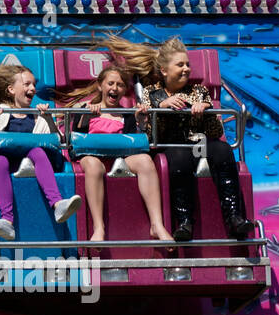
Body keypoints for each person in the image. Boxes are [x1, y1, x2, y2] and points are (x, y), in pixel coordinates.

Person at [104, 35, 254, 242]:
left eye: (188, 65)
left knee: (223, 151)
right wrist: (161, 108)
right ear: (164, 71)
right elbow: (149, 136)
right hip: (170, 145)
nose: (186, 69)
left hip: (199, 142)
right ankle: (184, 222)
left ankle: (234, 218)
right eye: (180, 65)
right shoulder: (152, 94)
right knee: (179, 158)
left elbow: (214, 131)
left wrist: (205, 111)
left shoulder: (199, 91)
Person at [0, 64, 80, 241]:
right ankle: (7, 221)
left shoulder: (38, 116)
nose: (32, 88)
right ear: (11, 89)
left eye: (33, 85)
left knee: (37, 151)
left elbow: (60, 142)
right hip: (7, 164)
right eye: (26, 84)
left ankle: (58, 204)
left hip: (31, 164)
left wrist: (49, 119)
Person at [62, 66, 171, 243]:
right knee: (92, 163)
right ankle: (99, 227)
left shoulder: (126, 114)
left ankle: (157, 225)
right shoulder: (87, 109)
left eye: (120, 85)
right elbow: (74, 142)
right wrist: (86, 118)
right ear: (100, 86)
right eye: (110, 83)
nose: (115, 88)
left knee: (145, 161)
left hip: (118, 160)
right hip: (94, 159)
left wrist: (141, 123)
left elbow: (135, 144)